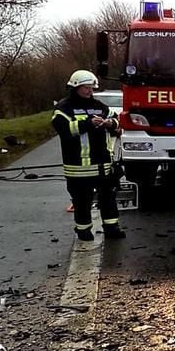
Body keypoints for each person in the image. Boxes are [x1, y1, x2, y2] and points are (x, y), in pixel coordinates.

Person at [51, 70, 125, 242]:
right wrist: (88, 123)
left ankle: (112, 228)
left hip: (102, 164)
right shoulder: (64, 108)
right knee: (82, 201)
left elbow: (117, 121)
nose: (89, 91)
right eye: (85, 88)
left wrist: (109, 123)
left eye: (91, 88)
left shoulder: (99, 106)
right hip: (78, 167)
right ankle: (83, 231)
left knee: (108, 198)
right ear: (75, 87)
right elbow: (65, 130)